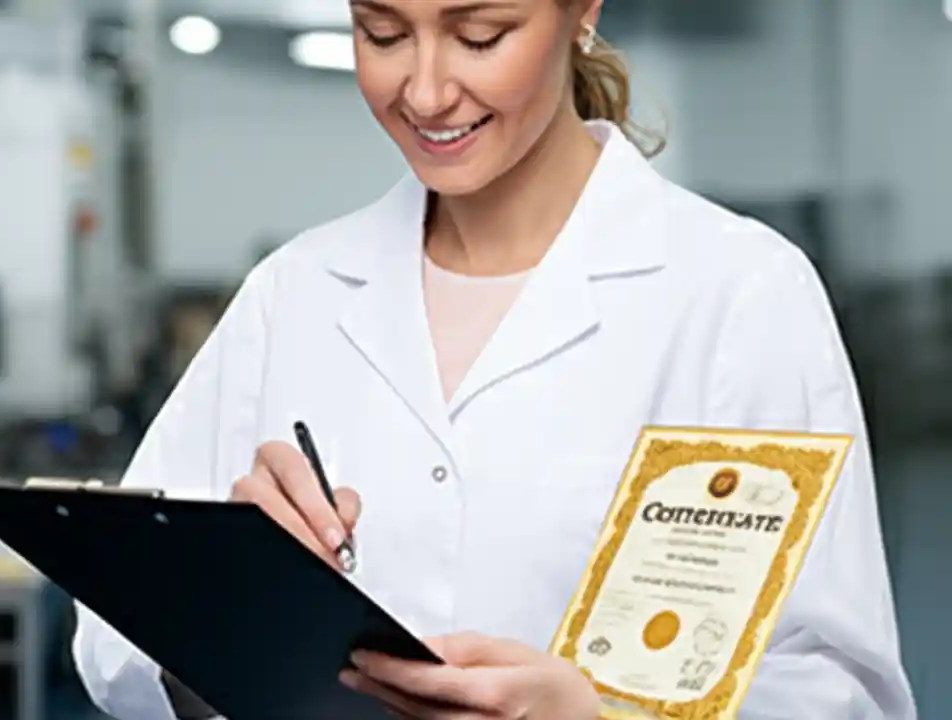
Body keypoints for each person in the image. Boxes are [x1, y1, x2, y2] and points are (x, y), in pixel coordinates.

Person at [74, 0, 917, 718]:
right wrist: (234, 601)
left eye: (480, 36)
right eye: (383, 33)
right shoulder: (294, 293)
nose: (428, 91)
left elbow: (840, 690)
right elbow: (113, 645)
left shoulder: (737, 294)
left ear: (581, 11)